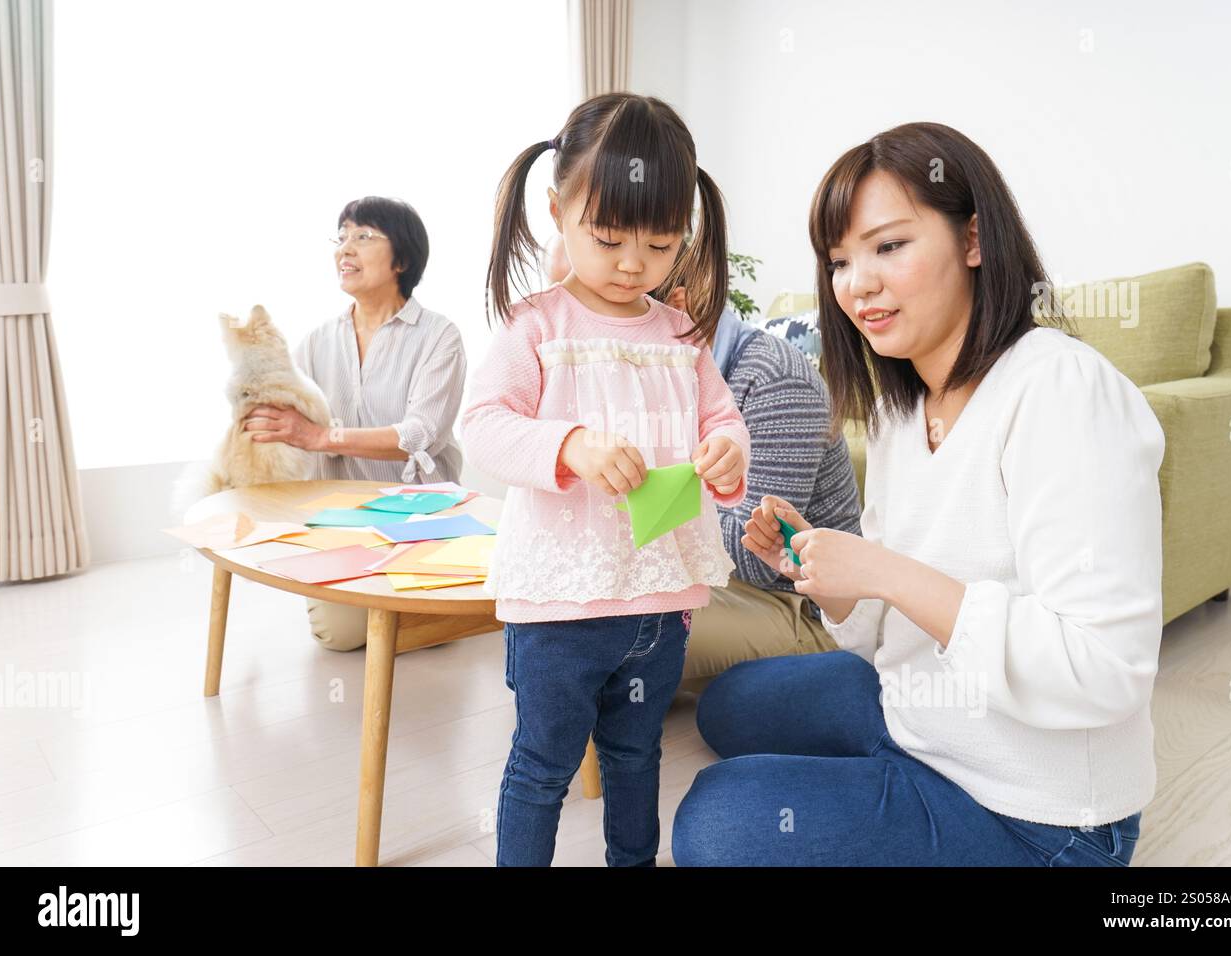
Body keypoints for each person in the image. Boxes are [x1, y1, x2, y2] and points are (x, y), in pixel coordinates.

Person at [672, 122, 1164, 866]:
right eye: (839, 261)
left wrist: (880, 570)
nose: (856, 284)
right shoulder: (904, 407)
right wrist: (829, 575)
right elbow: (881, 630)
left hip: (1039, 814)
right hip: (924, 714)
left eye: (889, 246)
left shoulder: (1062, 391)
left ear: (972, 240)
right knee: (730, 703)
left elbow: (1102, 670)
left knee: (716, 819)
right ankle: (877, 796)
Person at [463, 92, 749, 866]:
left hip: (657, 601)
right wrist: (571, 445)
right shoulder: (538, 326)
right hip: (559, 604)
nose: (633, 264)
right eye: (610, 238)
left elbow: (719, 422)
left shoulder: (681, 335)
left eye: (660, 245)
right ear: (558, 211)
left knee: (636, 756)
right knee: (543, 765)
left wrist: (728, 452)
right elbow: (483, 425)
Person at [541, 242, 864, 694]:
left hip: (799, 605)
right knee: (558, 610)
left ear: (676, 306)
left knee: (604, 629)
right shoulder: (646, 377)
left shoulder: (776, 379)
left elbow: (758, 557)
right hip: (711, 577)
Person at [242, 196, 467, 651]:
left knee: (439, 628)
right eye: (341, 237)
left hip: (419, 512)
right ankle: (389, 601)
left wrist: (320, 436)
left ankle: (416, 601)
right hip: (340, 517)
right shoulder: (317, 342)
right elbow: (283, 417)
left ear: (402, 258)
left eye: (363, 236)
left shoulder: (439, 336)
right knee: (340, 637)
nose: (346, 249)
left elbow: (418, 435)